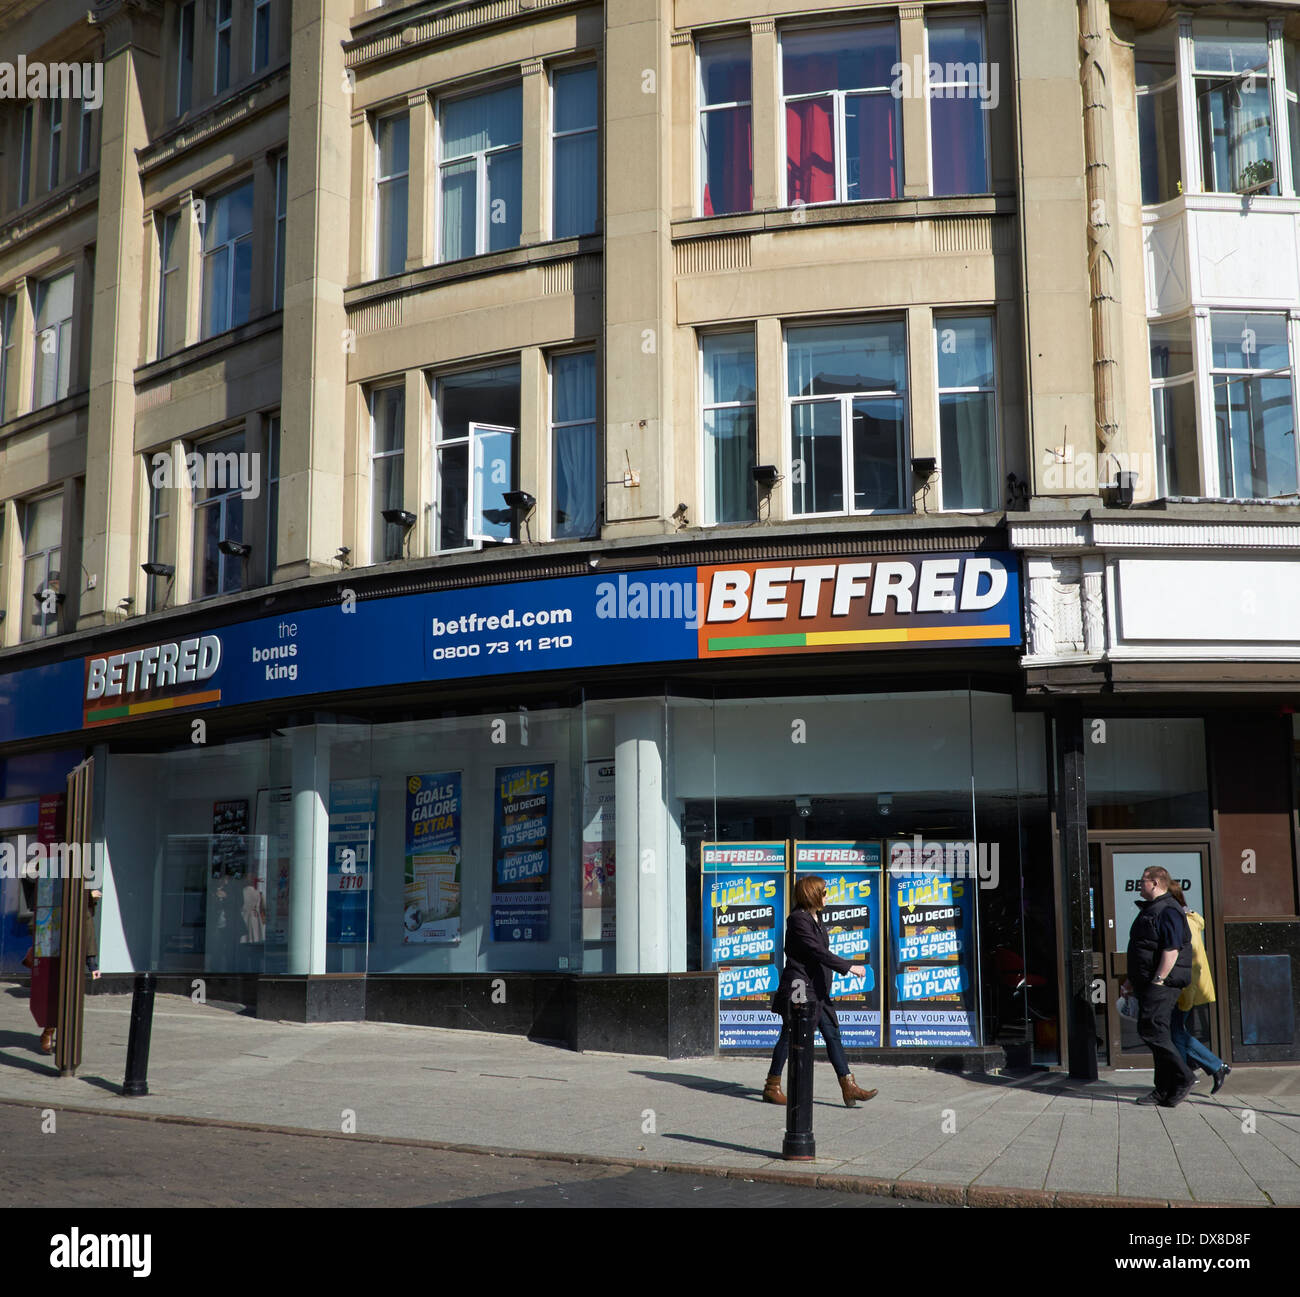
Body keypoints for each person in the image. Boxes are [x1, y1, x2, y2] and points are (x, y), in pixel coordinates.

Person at [763, 874, 876, 1109]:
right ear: (812, 894)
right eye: (824, 892)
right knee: (790, 1032)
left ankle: (849, 1087)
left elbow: (820, 953)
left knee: (832, 1033)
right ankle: (772, 1087)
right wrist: (850, 967)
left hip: (818, 988)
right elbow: (817, 952)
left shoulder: (817, 918)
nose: (828, 896)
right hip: (800, 986)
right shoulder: (797, 919)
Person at [1122, 865, 1196, 1108]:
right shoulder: (1154, 909)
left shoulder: (1168, 909)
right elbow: (1144, 948)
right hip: (1149, 982)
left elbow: (1172, 948)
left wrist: (1159, 978)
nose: (1139, 885)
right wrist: (1132, 979)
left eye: (1142, 881)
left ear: (1155, 883)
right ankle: (1164, 1089)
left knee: (1151, 1030)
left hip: (1162, 984)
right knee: (1157, 1032)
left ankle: (1183, 1077)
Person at [1165, 881, 1230, 1094]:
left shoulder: (1185, 923)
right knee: (1176, 1033)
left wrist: (1183, 991)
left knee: (1175, 1033)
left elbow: (1190, 961)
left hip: (1185, 987)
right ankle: (1196, 1070)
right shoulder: (1188, 920)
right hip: (1186, 987)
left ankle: (1199, 1070)